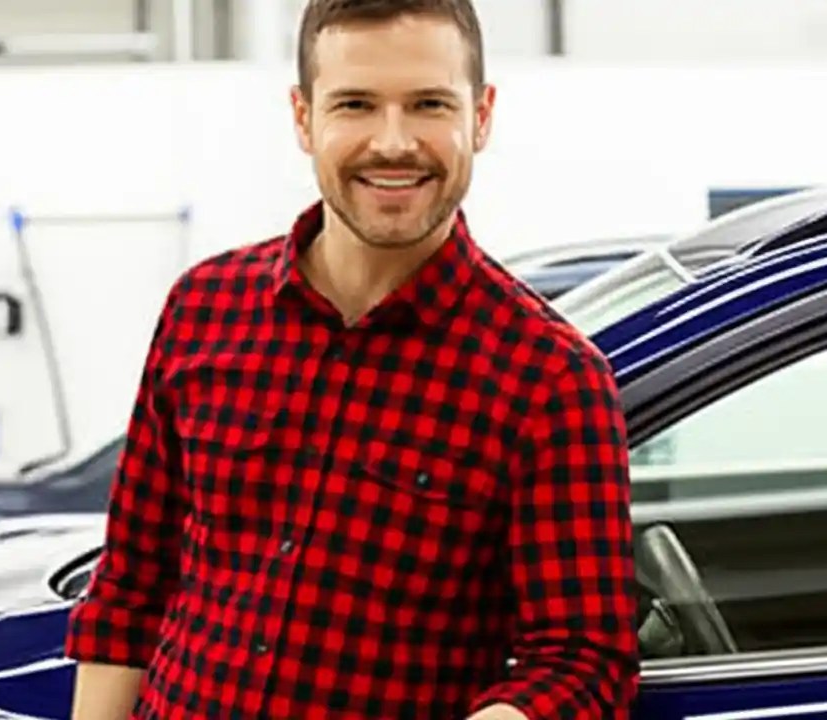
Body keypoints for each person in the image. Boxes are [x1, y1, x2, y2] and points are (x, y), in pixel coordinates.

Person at [65, 0, 640, 717]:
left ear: (481, 116)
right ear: (304, 118)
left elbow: (583, 662)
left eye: (429, 104)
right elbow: (129, 588)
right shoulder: (203, 308)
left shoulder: (547, 378)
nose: (393, 143)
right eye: (356, 105)